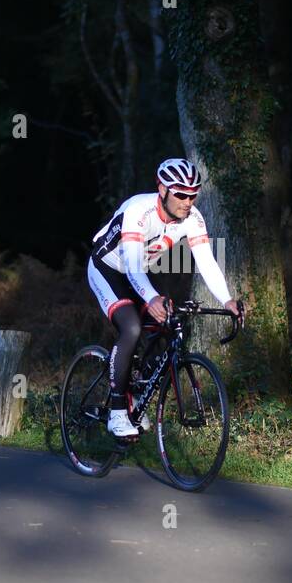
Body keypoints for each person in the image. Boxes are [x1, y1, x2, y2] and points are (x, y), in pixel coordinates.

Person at [88, 158, 240, 437]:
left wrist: (228, 301)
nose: (187, 201)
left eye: (193, 194)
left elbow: (206, 262)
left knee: (167, 328)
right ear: (162, 189)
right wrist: (151, 298)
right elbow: (132, 268)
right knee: (131, 327)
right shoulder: (139, 211)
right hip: (107, 268)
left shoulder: (193, 218)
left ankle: (136, 397)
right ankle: (118, 411)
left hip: (138, 273)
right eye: (180, 194)